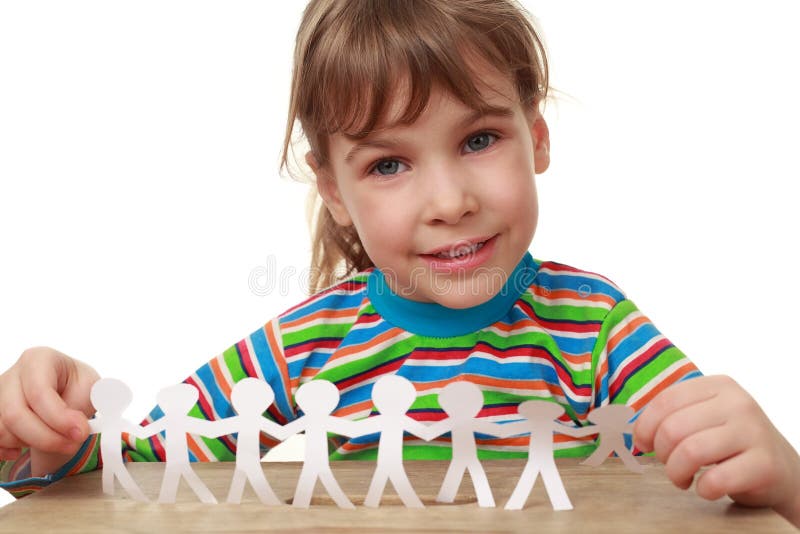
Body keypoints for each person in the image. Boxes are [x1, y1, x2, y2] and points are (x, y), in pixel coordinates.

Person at [0, 0, 798, 525]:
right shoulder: (307, 342)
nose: (448, 199)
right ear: (334, 188)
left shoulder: (593, 328)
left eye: (479, 140)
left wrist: (784, 476)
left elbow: (725, 478)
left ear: (537, 136)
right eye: (389, 164)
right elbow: (133, 479)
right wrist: (44, 432)